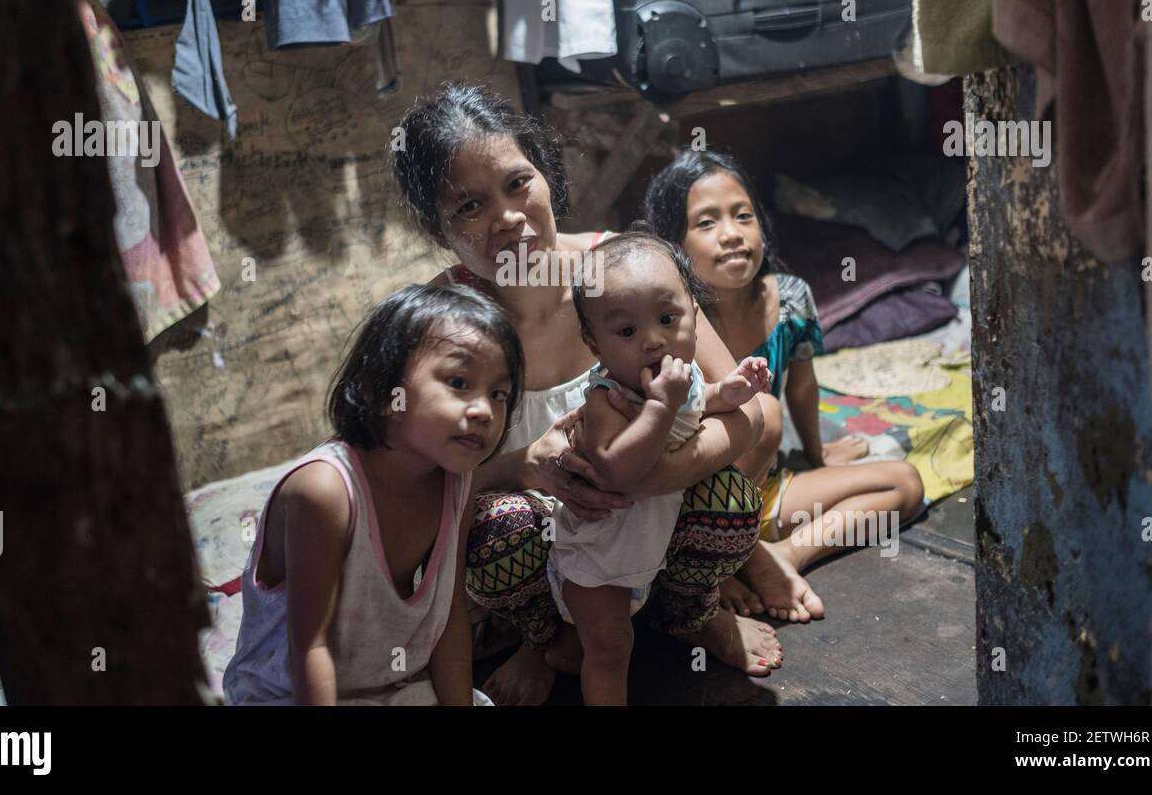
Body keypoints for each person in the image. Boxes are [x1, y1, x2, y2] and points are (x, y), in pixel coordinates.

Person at [392, 83, 784, 705]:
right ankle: (543, 640)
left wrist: (658, 471)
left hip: (655, 522)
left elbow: (752, 415)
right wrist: (523, 467)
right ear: (438, 229)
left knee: (730, 499)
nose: (508, 216)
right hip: (556, 556)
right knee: (502, 530)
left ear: (547, 176)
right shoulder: (444, 326)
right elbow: (411, 491)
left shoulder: (629, 273)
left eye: (518, 182)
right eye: (469, 206)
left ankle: (688, 615)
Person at [644, 150, 925, 623]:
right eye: (706, 223)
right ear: (675, 244)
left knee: (905, 485)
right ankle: (714, 560)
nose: (732, 234)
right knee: (762, 412)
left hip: (764, 490)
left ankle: (782, 556)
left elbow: (803, 387)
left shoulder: (792, 297)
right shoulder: (671, 321)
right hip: (688, 506)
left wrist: (818, 455)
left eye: (743, 216)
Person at [223, 283, 520, 704]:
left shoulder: (457, 479)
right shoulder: (324, 493)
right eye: (458, 382)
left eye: (499, 393)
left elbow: (450, 614)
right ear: (383, 392)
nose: (484, 411)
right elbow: (312, 648)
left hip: (389, 684)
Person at [552, 231, 776, 704]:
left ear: (694, 315)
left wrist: (731, 392)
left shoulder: (684, 376)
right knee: (611, 652)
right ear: (594, 343)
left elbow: (701, 403)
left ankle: (687, 619)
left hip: (653, 550)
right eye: (627, 332)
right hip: (599, 563)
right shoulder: (606, 400)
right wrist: (658, 407)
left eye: (667, 318)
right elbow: (618, 469)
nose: (653, 340)